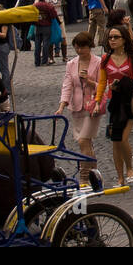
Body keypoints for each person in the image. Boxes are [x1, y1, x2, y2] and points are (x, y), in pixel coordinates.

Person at [95, 25, 133, 186]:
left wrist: (124, 85)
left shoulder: (132, 57)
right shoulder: (105, 59)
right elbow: (102, 82)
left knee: (123, 138)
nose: (113, 40)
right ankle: (120, 177)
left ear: (124, 40)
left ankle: (129, 168)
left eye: (116, 37)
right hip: (112, 103)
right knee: (115, 141)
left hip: (128, 101)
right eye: (110, 37)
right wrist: (97, 101)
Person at [57, 32, 103, 182]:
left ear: (89, 46)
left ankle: (84, 177)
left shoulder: (98, 62)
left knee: (83, 140)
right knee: (85, 143)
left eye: (82, 47)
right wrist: (62, 105)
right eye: (76, 48)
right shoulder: (71, 64)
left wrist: (89, 81)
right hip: (76, 107)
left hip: (92, 107)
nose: (79, 51)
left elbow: (103, 86)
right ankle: (95, 175)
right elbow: (67, 85)